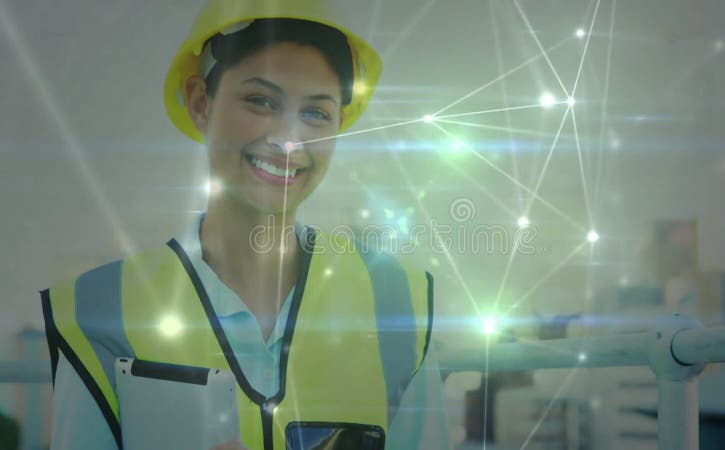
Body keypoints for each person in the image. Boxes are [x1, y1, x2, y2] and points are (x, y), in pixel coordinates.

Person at [40, 1, 450, 449]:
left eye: (316, 112)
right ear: (201, 103)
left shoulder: (398, 303)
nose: (288, 139)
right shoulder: (99, 311)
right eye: (261, 100)